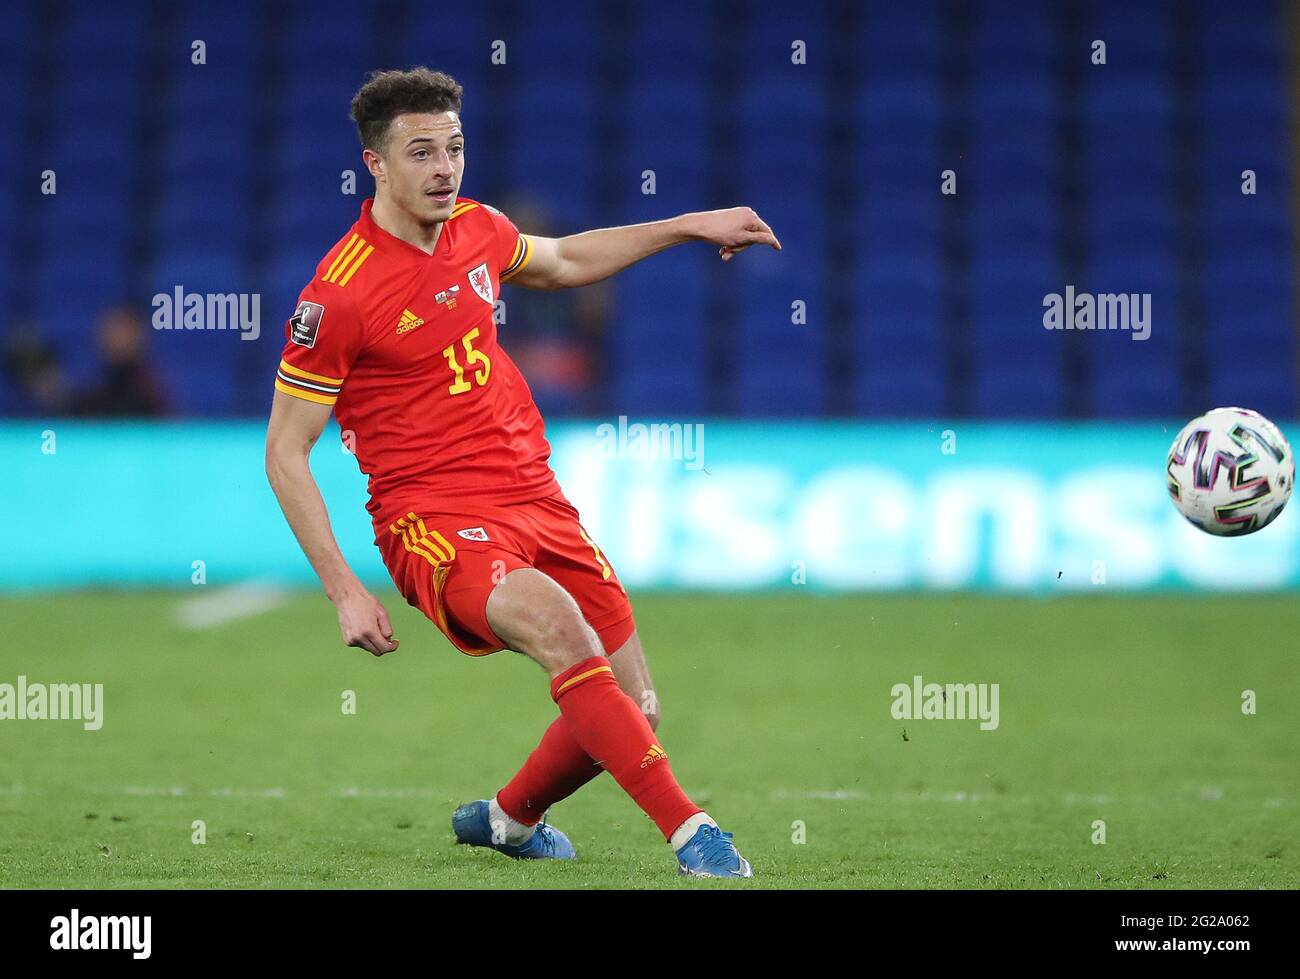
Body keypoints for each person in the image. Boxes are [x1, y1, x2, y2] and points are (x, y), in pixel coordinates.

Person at [263, 68, 780, 878]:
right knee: (566, 633)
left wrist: (686, 224)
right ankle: (695, 835)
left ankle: (506, 819)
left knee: (634, 710)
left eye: (455, 149)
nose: (444, 168)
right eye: (422, 152)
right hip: (432, 521)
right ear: (376, 164)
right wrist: (343, 588)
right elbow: (285, 451)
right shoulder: (340, 295)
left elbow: (566, 258)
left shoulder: (479, 229)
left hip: (537, 497)